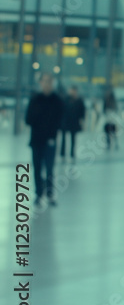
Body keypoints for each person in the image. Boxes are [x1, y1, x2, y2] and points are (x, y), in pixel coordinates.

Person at [25, 73, 64, 206]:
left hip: (50, 141)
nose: (47, 84)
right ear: (40, 83)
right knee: (37, 168)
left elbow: (60, 120)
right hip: (36, 140)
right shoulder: (35, 99)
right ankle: (38, 194)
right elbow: (28, 119)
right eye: (45, 81)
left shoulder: (57, 100)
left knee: (49, 168)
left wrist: (52, 133)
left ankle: (50, 193)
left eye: (49, 81)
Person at [59, 85, 85, 164]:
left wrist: (81, 121)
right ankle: (62, 154)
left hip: (74, 122)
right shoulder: (65, 99)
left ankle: (72, 154)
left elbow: (82, 112)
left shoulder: (79, 100)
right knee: (63, 139)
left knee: (73, 139)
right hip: (65, 122)